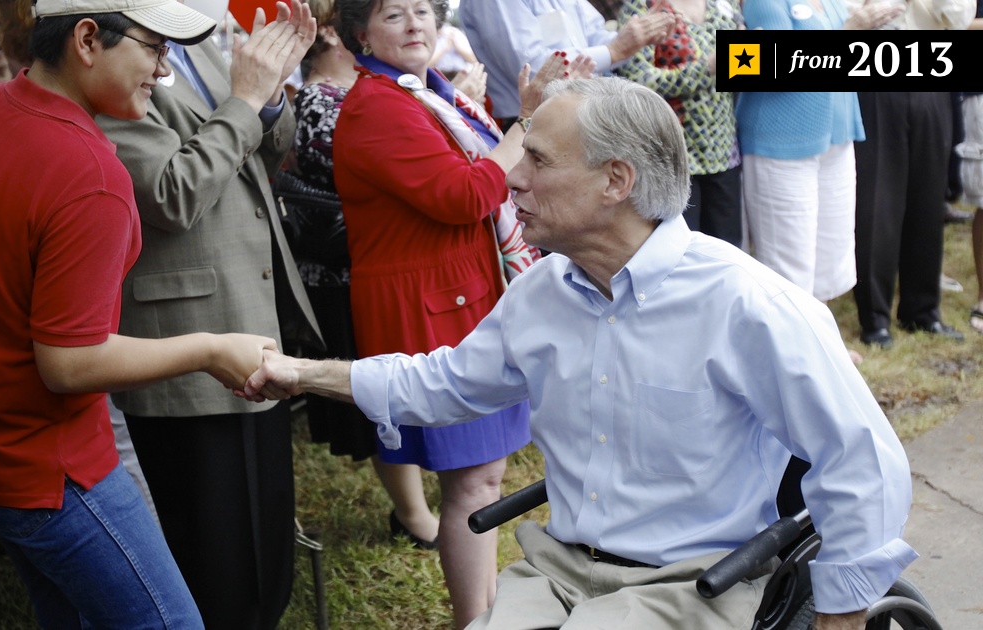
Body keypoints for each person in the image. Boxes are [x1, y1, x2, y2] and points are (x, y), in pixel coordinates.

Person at [243, 77, 917, 630]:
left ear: (615, 181)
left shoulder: (747, 304)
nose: (512, 180)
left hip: (694, 588)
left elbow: (862, 459)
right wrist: (303, 372)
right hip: (558, 572)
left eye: (537, 159)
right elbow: (441, 384)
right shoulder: (543, 292)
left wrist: (843, 610)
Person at [0, 1, 280, 626]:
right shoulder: (90, 172)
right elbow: (70, 360)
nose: (164, 71)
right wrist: (212, 349)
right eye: (155, 48)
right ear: (87, 39)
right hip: (46, 466)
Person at [326, 0, 582, 626]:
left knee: (481, 477)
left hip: (460, 293)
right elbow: (464, 194)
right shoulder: (378, 106)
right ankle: (476, 620)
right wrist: (526, 118)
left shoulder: (423, 88)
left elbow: (486, 170)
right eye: (394, 16)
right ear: (362, 33)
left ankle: (484, 614)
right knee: (473, 483)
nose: (415, 24)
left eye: (423, 11)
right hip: (432, 306)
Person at [94, 2, 318, 628]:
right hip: (186, 332)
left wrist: (269, 97)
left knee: (265, 533)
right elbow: (171, 193)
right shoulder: (114, 52)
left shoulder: (202, 43)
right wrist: (247, 99)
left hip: (250, 308)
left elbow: (265, 151)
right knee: (214, 554)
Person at [284, 0, 442, 550]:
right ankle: (411, 512)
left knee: (408, 384)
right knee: (381, 395)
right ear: (343, 33)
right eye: (393, 15)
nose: (412, 23)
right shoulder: (321, 101)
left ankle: (426, 495)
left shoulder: (381, 92)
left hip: (378, 264)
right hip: (346, 271)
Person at [736, 0, 903, 360]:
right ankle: (794, 357)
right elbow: (771, 67)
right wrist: (850, 33)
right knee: (789, 260)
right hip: (781, 142)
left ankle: (820, 341)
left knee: (830, 249)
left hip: (838, 136)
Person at [848, 0, 973, 348]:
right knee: (877, 200)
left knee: (928, 199)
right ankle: (875, 319)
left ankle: (922, 311)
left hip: (931, 68)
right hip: (872, 69)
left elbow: (959, 18)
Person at [614, 0, 743, 246]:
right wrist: (707, 68)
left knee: (727, 250)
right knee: (677, 252)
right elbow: (638, 82)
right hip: (671, 158)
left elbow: (740, 69)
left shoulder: (722, 5)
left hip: (724, 153)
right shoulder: (644, 7)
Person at [459, 0, 673, 127]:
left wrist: (640, 35)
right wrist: (615, 50)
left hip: (582, 115)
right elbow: (534, 71)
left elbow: (600, 40)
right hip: (532, 123)